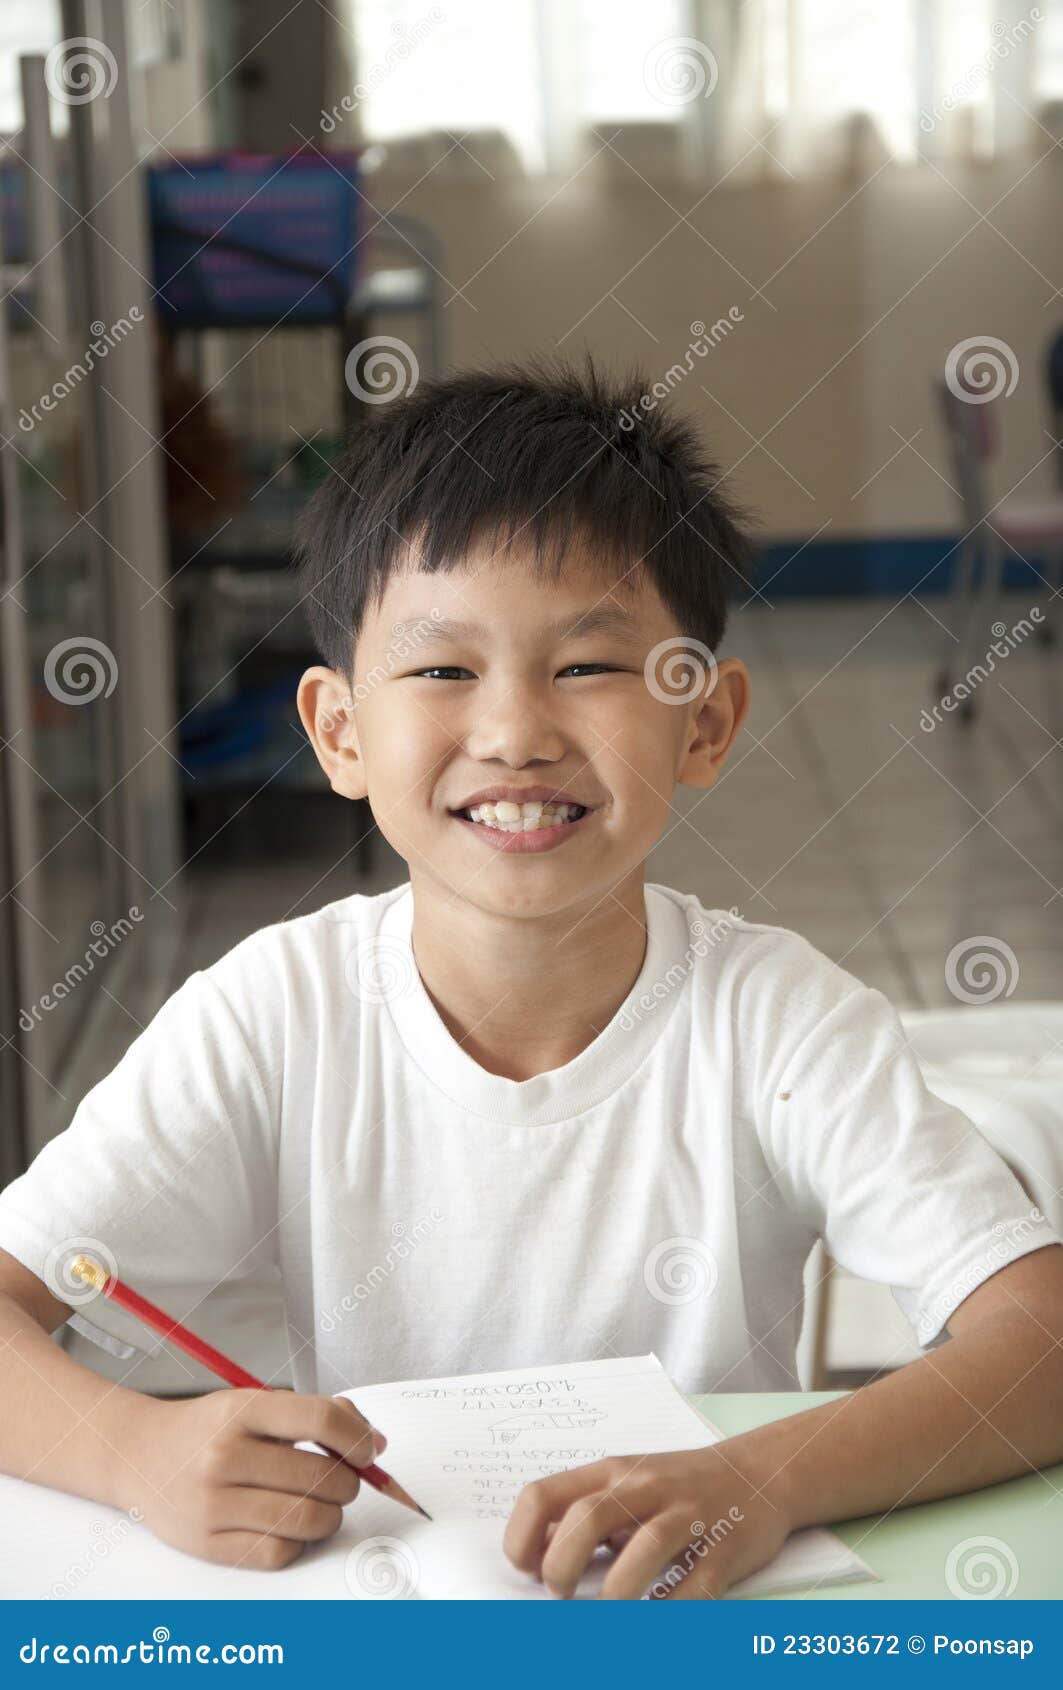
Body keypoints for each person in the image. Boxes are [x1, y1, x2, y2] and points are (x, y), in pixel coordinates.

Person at [0, 359, 1060, 1598]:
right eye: (444, 671)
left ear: (704, 723)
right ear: (340, 730)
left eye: (589, 666)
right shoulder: (273, 1014)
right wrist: (134, 1448)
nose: (514, 733)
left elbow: (1037, 1342)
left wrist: (766, 1476)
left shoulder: (779, 1019)